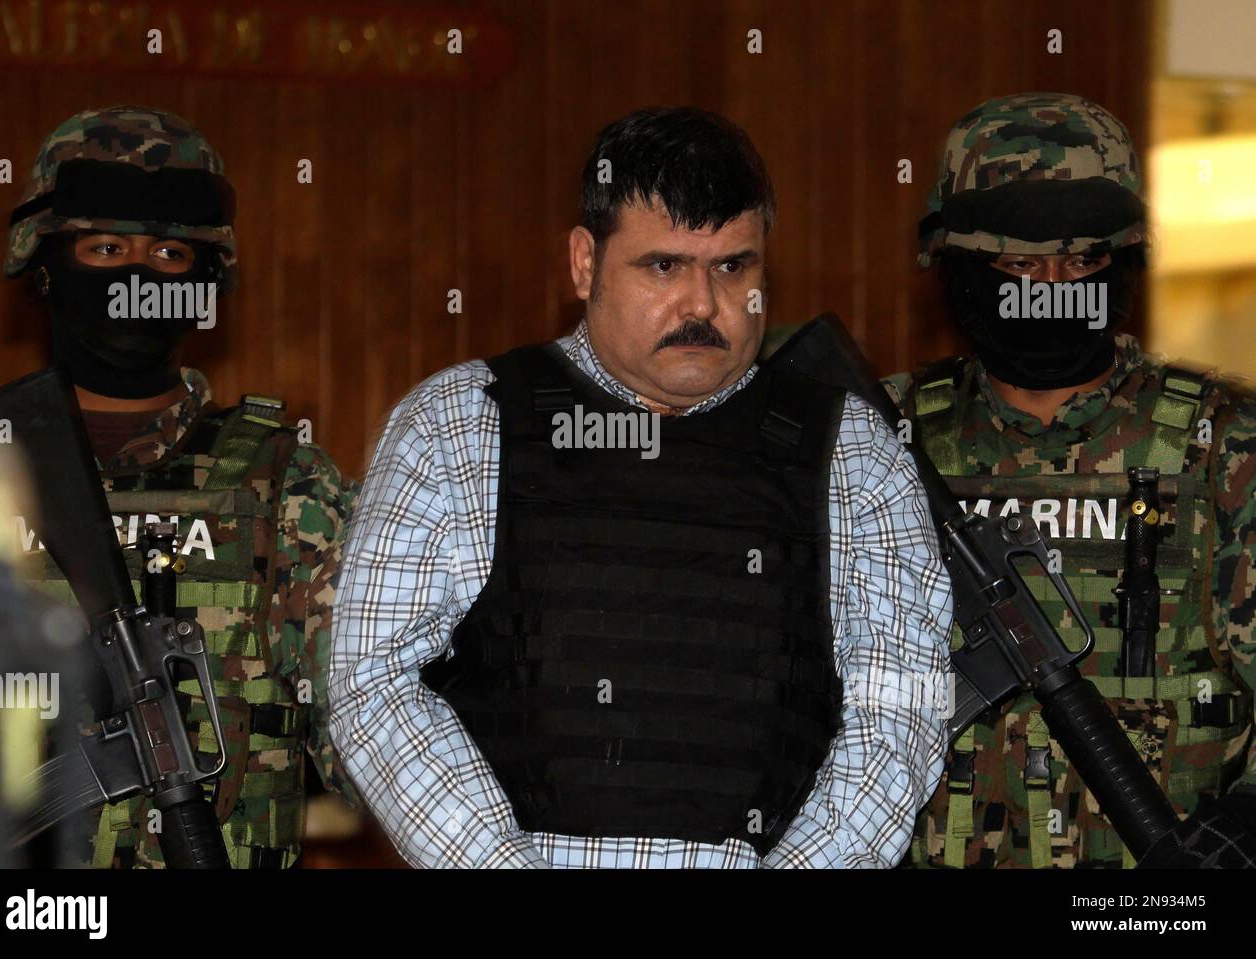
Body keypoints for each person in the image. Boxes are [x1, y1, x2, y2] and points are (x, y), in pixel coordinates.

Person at [330, 106, 953, 869]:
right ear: (584, 262)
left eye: (734, 266)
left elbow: (904, 714)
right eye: (663, 266)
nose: (702, 304)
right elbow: (374, 680)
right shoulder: (461, 424)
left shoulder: (852, 452)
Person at [882, 92, 1256, 868]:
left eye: (1083, 259)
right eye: (1019, 261)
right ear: (955, 264)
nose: (1052, 284)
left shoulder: (1227, 449)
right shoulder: (882, 440)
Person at [0, 105, 358, 868]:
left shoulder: (289, 488)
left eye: (168, 253)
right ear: (42, 263)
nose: (137, 275)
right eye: (104, 247)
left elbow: (372, 748)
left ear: (207, 281)